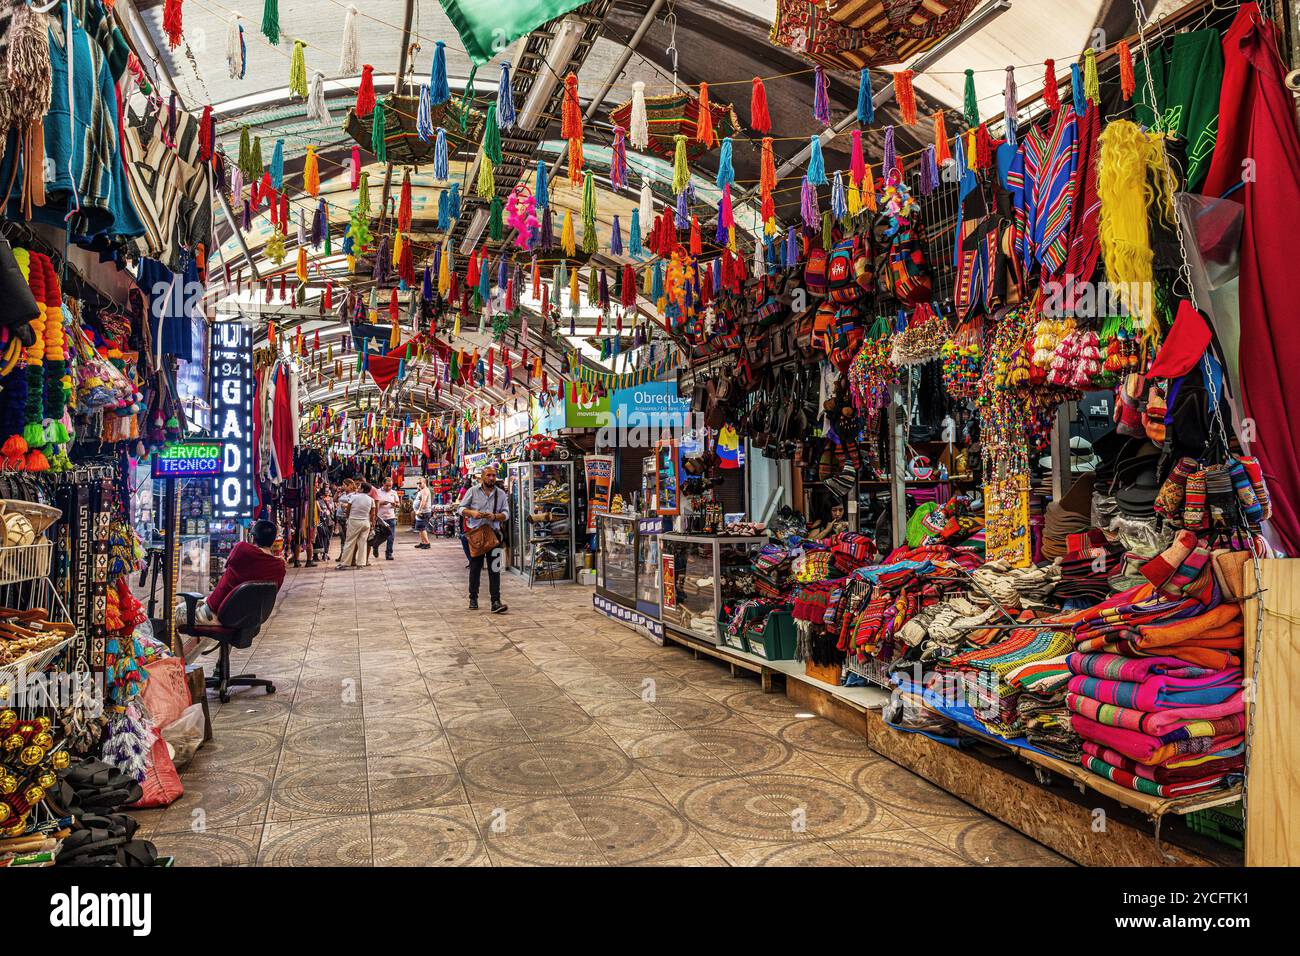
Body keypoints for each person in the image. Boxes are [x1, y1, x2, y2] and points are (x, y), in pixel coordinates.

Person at [176, 519, 286, 625]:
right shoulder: (280, 567)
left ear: (252, 537)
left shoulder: (242, 549)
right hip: (248, 619)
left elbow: (227, 566)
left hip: (214, 614)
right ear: (273, 540)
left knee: (171, 615)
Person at [457, 465, 509, 613]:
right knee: (475, 568)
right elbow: (460, 509)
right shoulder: (472, 491)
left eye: (493, 475)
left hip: (494, 537)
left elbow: (507, 513)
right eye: (488, 475)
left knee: (495, 569)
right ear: (482, 477)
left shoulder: (501, 494)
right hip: (477, 537)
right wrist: (472, 513)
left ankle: (495, 601)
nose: (491, 478)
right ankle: (473, 598)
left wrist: (495, 516)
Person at [337, 481, 375, 569]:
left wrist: (347, 518)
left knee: (350, 542)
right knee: (362, 542)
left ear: (362, 489)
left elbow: (348, 510)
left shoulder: (353, 497)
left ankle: (345, 563)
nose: (357, 488)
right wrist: (372, 524)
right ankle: (361, 563)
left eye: (359, 487)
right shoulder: (371, 499)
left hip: (354, 521)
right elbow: (372, 514)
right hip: (366, 522)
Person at [371, 477, 400, 561]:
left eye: (390, 486)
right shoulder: (377, 492)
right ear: (383, 484)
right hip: (380, 518)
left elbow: (398, 503)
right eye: (387, 485)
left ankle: (389, 553)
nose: (388, 487)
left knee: (391, 536)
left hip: (391, 517)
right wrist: (381, 503)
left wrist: (396, 504)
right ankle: (375, 546)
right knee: (380, 536)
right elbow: (373, 503)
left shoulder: (394, 492)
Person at [413, 477, 433, 549]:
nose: (418, 484)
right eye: (417, 483)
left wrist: (419, 510)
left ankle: (427, 543)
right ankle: (422, 542)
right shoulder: (421, 490)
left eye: (420, 483)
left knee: (422, 528)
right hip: (421, 512)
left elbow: (423, 501)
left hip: (424, 512)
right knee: (419, 528)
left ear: (424, 483)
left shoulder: (425, 491)